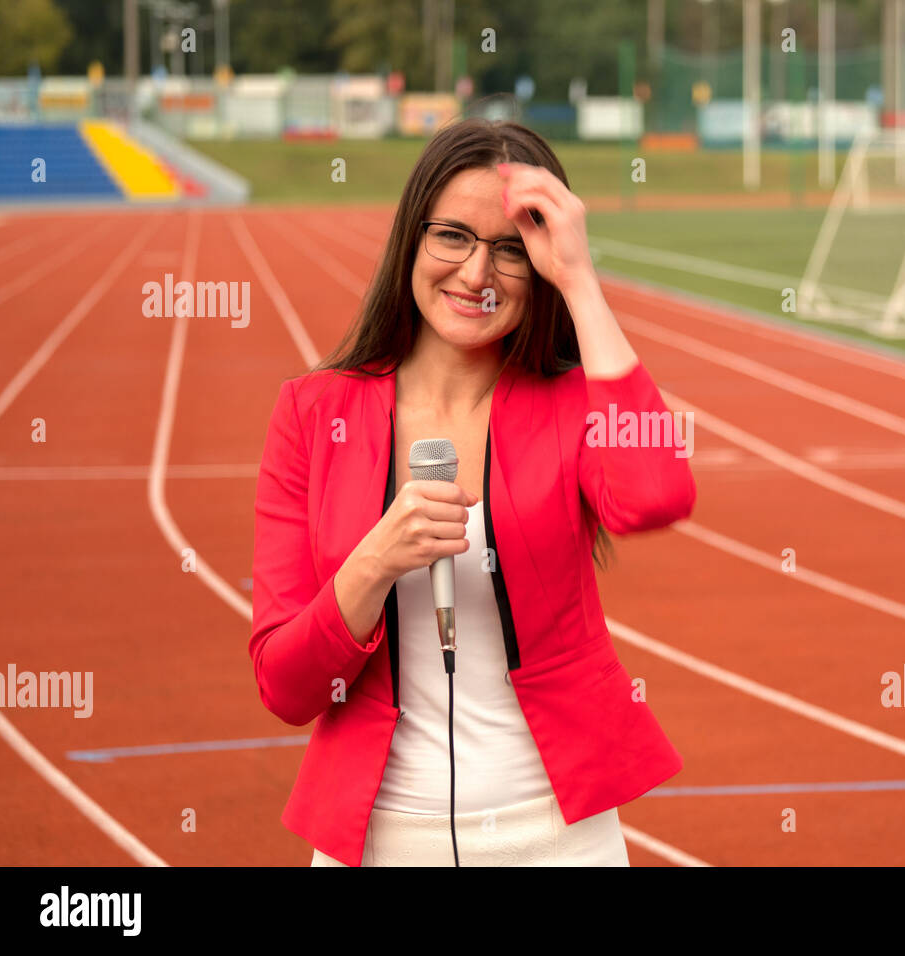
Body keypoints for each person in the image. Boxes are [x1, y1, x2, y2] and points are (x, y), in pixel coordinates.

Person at [248, 117, 696, 867]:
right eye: (452, 236)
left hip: (558, 839)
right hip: (377, 841)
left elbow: (656, 493)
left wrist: (581, 282)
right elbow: (286, 687)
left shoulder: (570, 405)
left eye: (511, 249)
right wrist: (373, 563)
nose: (476, 273)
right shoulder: (314, 413)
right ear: (411, 239)